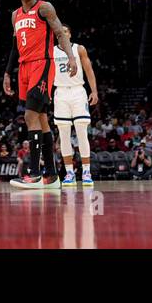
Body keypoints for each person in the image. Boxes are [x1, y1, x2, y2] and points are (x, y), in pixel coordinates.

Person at [3, 0, 74, 190]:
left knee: (29, 116)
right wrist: (7, 72)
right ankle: (51, 176)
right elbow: (15, 46)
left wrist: (70, 57)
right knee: (42, 119)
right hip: (23, 68)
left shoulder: (44, 7)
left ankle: (34, 174)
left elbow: (60, 32)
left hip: (42, 64)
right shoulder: (15, 15)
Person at [52, 24, 99, 188]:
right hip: (61, 92)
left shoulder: (79, 49)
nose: (63, 34)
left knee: (81, 133)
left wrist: (94, 91)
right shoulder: (51, 51)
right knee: (63, 134)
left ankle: (86, 171)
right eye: (60, 32)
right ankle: (69, 172)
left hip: (78, 91)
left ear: (70, 34)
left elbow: (89, 70)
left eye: (66, 32)